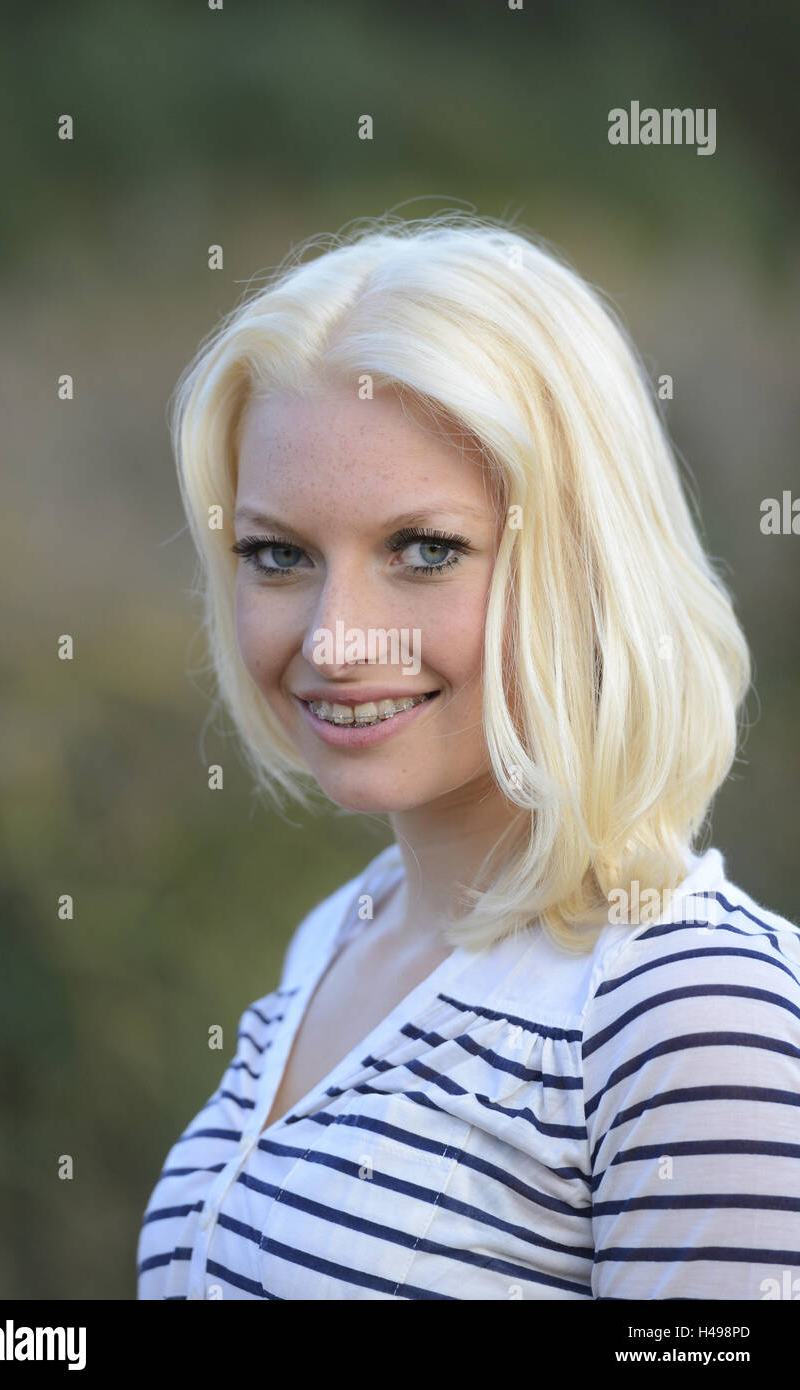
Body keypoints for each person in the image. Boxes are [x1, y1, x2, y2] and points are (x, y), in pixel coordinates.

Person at [137, 213, 800, 1300]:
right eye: (278, 554)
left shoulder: (690, 1010)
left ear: (588, 564)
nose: (335, 640)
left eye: (423, 549)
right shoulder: (340, 935)